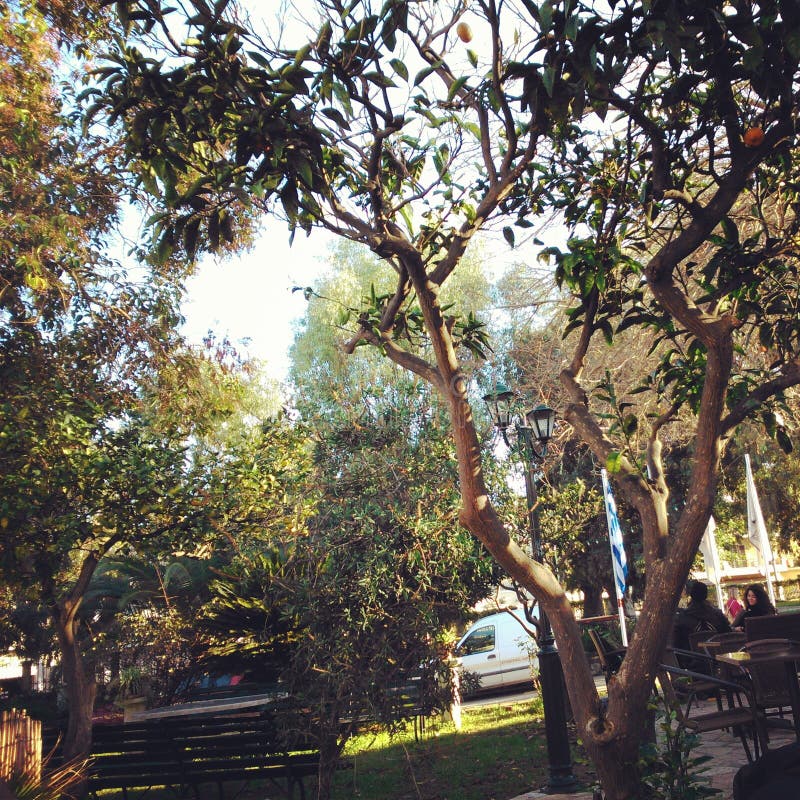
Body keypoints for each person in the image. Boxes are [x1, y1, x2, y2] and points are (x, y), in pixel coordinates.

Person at [673, 580, 731, 655]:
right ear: (706, 595)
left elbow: (677, 644)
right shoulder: (718, 615)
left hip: (692, 661)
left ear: (691, 594)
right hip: (717, 659)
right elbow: (728, 635)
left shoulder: (682, 618)